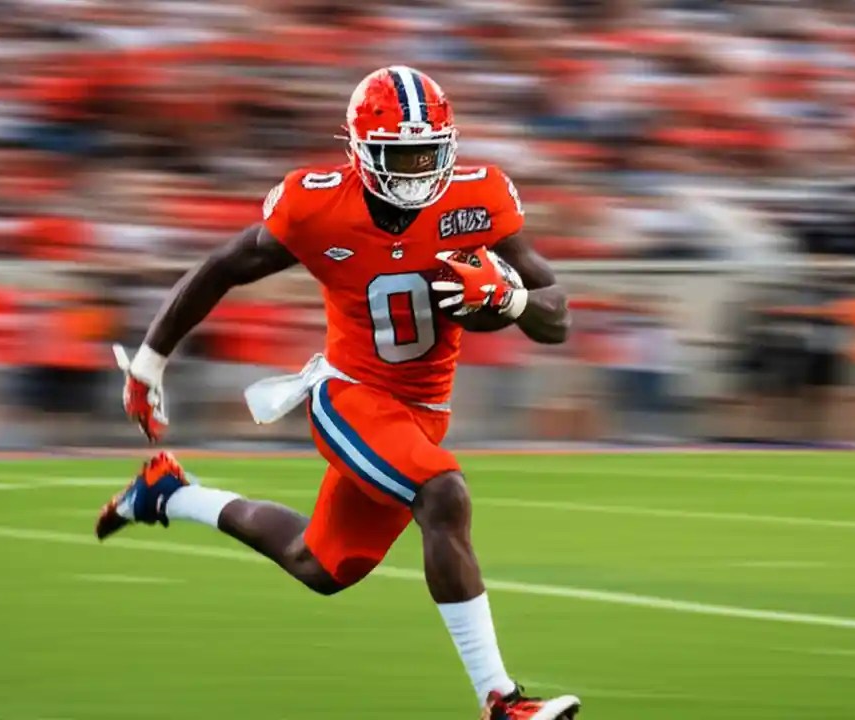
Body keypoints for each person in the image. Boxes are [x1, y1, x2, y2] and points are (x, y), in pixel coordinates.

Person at [95, 66, 577, 720]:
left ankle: (170, 493)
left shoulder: (478, 198)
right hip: (349, 394)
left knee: (319, 565)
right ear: (360, 152)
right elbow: (221, 268)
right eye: (400, 157)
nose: (417, 173)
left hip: (421, 413)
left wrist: (513, 300)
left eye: (427, 154)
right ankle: (501, 701)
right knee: (443, 493)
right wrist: (148, 364)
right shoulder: (318, 205)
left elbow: (557, 315)